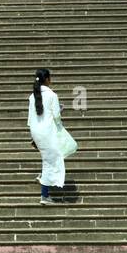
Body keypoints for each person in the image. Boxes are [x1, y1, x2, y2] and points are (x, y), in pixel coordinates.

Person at [28, 68, 77, 204]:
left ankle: (43, 178)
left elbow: (30, 118)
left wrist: (33, 136)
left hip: (36, 131)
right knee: (51, 160)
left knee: (51, 158)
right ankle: (44, 194)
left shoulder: (32, 96)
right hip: (47, 132)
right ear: (48, 79)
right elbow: (56, 116)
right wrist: (60, 112)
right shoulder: (52, 95)